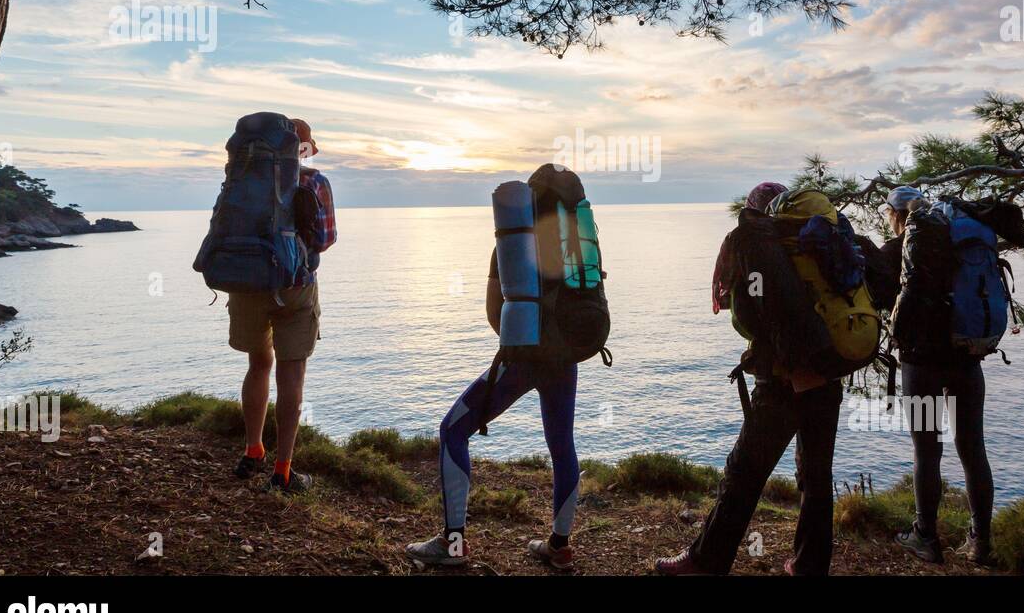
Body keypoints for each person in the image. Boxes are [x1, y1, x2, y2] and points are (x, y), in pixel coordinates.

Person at [406, 164, 609, 571]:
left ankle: (452, 545)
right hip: (566, 359)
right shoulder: (581, 244)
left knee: (452, 430)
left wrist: (523, 336)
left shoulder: (513, 243)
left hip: (522, 361)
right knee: (562, 445)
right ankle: (559, 547)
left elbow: (494, 313)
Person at [656, 181, 860, 576]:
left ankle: (705, 562)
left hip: (781, 382)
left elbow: (746, 320)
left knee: (743, 474)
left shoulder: (758, 249)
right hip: (826, 375)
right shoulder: (814, 241)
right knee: (816, 476)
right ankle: (809, 564)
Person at [883, 185, 993, 565]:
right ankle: (981, 542)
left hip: (922, 363)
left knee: (927, 450)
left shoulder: (901, 247)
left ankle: (926, 537)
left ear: (896, 214)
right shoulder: (958, 238)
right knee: (973, 448)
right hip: (966, 358)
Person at [228, 118, 337, 494]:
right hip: (295, 287)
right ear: (301, 150)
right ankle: (283, 471)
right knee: (292, 375)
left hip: (248, 284)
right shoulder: (314, 182)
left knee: (258, 365)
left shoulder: (241, 179)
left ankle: (252, 450)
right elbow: (325, 239)